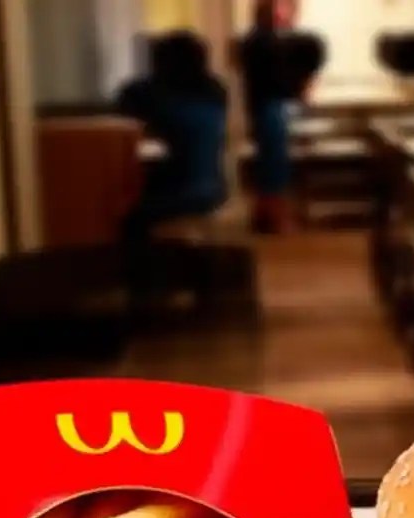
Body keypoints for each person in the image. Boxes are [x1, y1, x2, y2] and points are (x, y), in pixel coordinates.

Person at [116, 32, 228, 322]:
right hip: (214, 186)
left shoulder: (144, 93)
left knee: (129, 218)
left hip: (176, 188)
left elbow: (124, 129)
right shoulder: (215, 90)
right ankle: (200, 284)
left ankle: (145, 293)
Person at [237, 0, 325, 234]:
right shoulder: (265, 42)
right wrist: (300, 88)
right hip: (270, 107)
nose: (292, 14)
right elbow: (277, 80)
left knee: (270, 164)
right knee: (275, 165)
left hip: (264, 106)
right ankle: (276, 219)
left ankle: (264, 216)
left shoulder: (258, 39)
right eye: (287, 7)